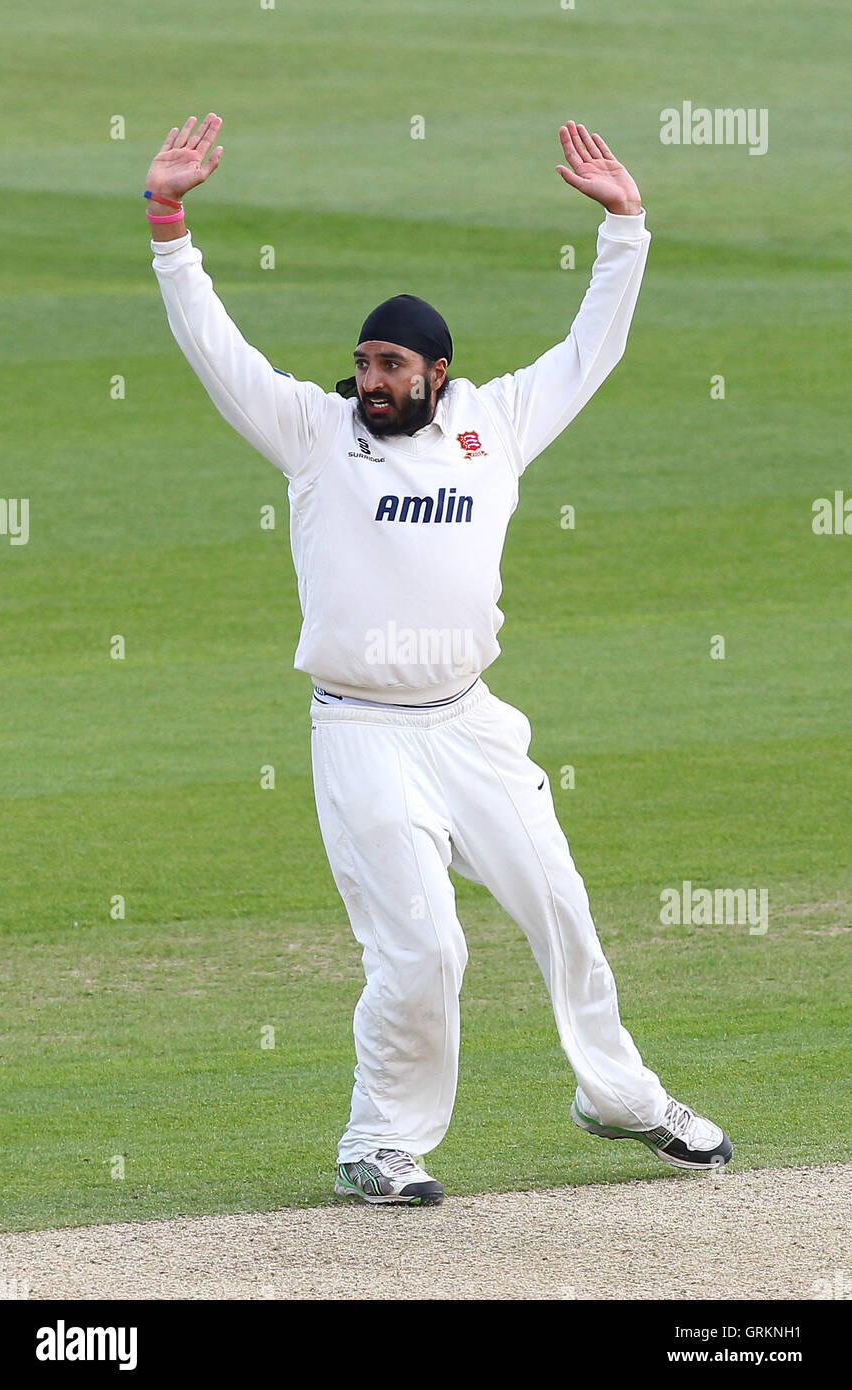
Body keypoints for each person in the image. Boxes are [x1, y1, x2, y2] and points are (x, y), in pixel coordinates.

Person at [145, 113, 732, 1206]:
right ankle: (379, 1143)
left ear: (435, 370)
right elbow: (216, 350)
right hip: (361, 729)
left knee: (560, 909)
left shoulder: (492, 422)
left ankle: (618, 1094)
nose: (369, 376)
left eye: (389, 363)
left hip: (468, 721)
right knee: (423, 953)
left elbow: (586, 353)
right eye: (362, 360)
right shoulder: (315, 433)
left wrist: (627, 229)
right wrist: (169, 225)